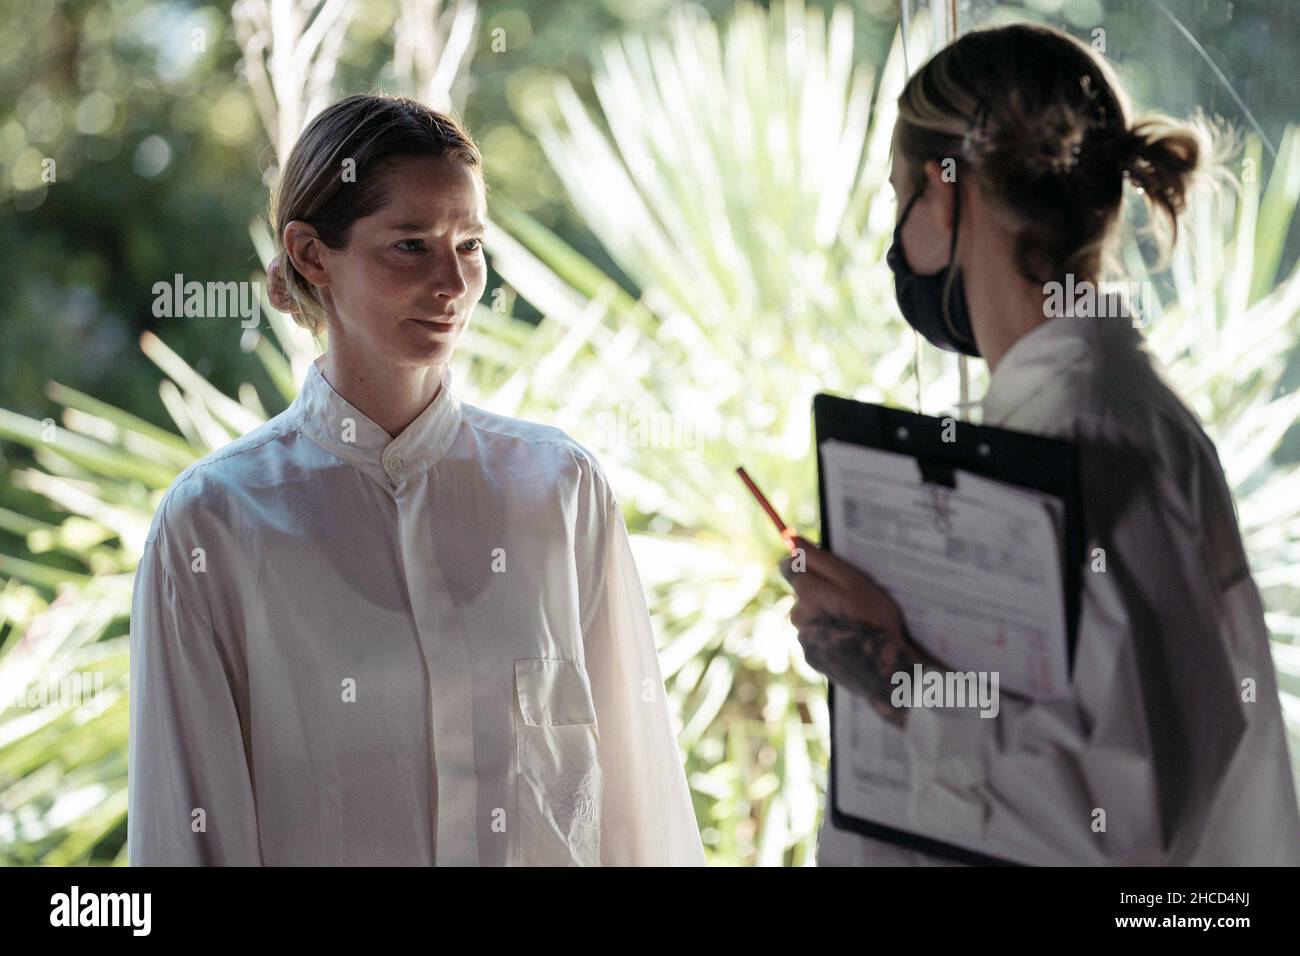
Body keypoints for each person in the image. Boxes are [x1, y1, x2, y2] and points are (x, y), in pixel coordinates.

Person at [128, 94, 704, 866]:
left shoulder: (560, 489)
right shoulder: (216, 524)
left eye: (470, 245)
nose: (454, 283)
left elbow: (642, 810)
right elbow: (184, 836)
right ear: (310, 255)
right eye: (411, 246)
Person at [781, 23, 1300, 865]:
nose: (897, 241)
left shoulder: (1088, 441)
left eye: (898, 200)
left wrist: (895, 675)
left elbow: (1114, 832)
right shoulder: (1086, 416)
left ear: (946, 195)